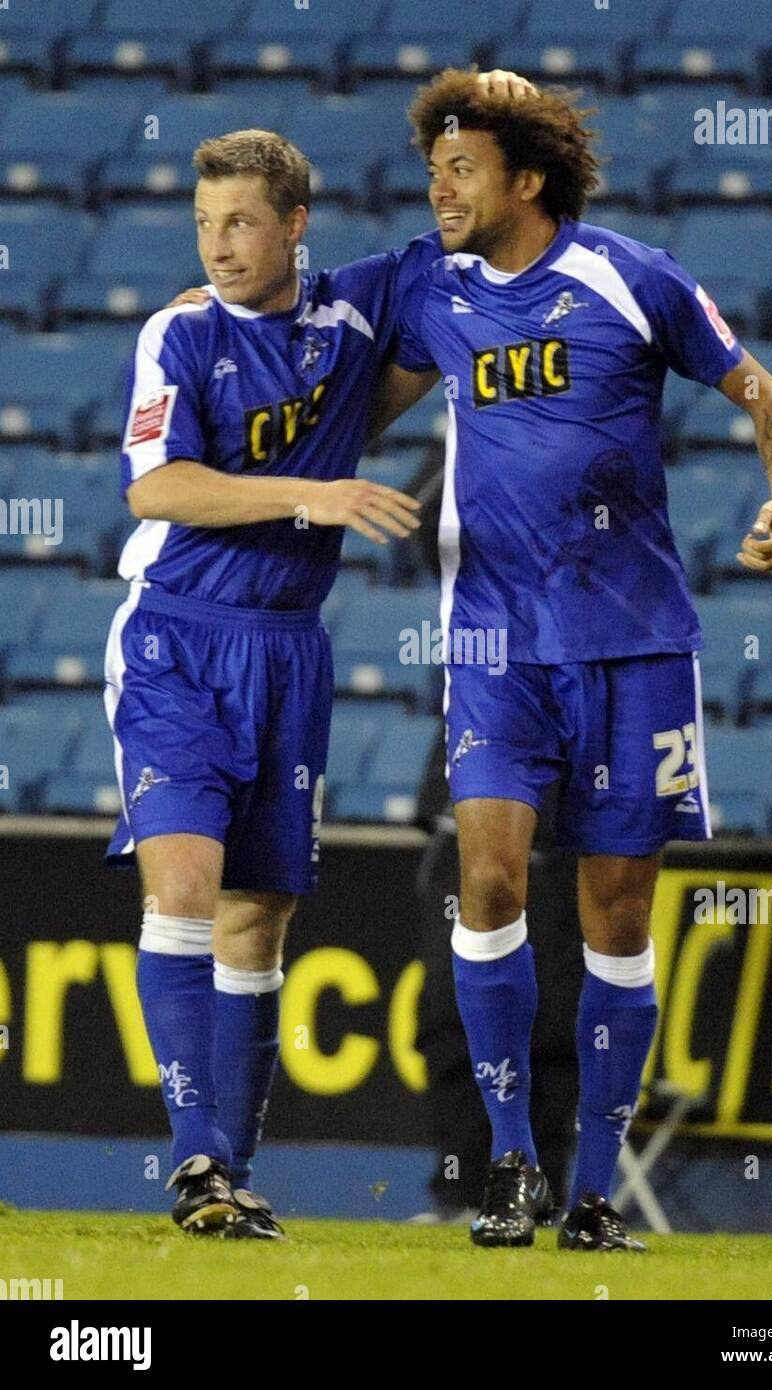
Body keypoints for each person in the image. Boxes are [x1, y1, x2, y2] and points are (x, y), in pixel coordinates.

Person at [369, 70, 772, 1250]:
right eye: (434, 165)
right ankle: (510, 1166)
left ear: (526, 179)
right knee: (491, 882)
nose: (439, 186)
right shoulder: (434, 289)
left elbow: (770, 397)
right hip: (495, 645)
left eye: (462, 167)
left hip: (634, 645)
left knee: (615, 916)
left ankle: (596, 1188)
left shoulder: (633, 275)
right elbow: (359, 416)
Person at [107, 72, 533, 1241]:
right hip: (178, 639)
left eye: (242, 220)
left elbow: (478, 241)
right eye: (206, 222)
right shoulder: (181, 331)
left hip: (289, 653)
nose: (221, 243)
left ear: (296, 224)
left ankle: (229, 1177)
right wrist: (317, 491)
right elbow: (156, 486)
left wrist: (503, 120)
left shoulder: (355, 311)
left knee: (258, 921)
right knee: (185, 891)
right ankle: (195, 1161)